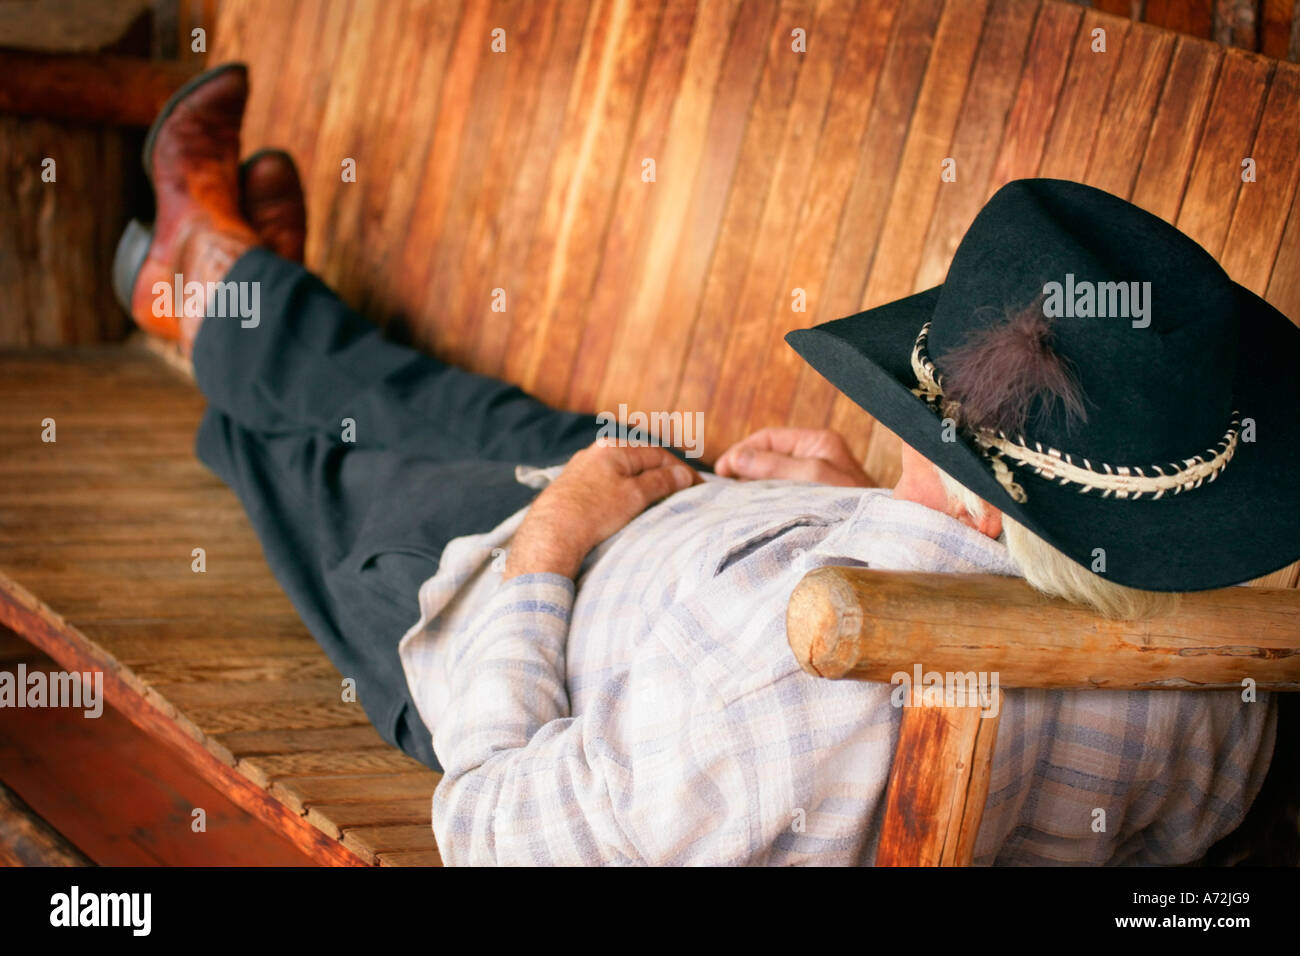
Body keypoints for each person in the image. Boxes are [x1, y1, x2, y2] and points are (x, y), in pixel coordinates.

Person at [114, 63, 1300, 865]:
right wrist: (862, 512)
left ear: (990, 514)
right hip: (707, 521)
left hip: (504, 607)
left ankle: (215, 291)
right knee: (458, 404)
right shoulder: (1224, 703)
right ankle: (231, 305)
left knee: (341, 463)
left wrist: (544, 548)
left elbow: (488, 822)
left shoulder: (779, 707)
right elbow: (989, 602)